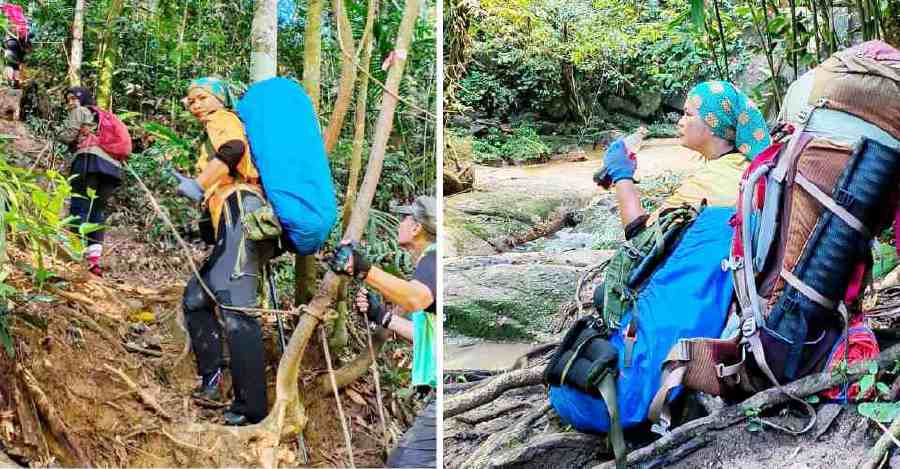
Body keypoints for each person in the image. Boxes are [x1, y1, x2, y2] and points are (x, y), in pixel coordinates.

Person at [174, 77, 275, 426]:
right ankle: (212, 379)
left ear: (219, 98)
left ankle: (253, 408)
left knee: (236, 309)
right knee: (195, 299)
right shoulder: (213, 125)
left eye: (202, 97)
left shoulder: (224, 119)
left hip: (241, 214)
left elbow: (233, 150)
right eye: (191, 101)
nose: (196, 105)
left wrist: (198, 184)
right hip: (233, 221)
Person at [327, 195, 437, 468]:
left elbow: (415, 299)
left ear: (416, 228)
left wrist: (362, 269)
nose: (399, 223)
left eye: (404, 218)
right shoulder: (430, 263)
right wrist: (382, 316)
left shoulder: (434, 260)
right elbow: (425, 331)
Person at [602, 80, 771, 238]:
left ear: (713, 124)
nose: (681, 122)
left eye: (688, 115)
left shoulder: (714, 179)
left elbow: (642, 237)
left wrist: (622, 177)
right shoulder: (741, 165)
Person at [58, 87, 122, 276]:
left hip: (89, 161)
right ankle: (94, 262)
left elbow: (67, 135)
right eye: (67, 100)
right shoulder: (102, 118)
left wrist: (57, 131)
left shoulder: (82, 111)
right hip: (112, 169)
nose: (69, 103)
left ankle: (74, 255)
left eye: (72, 99)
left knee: (80, 206)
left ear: (82, 99)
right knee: (98, 212)